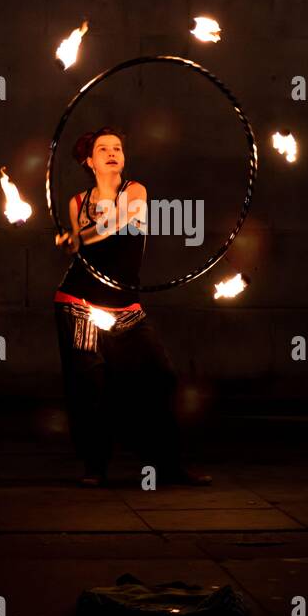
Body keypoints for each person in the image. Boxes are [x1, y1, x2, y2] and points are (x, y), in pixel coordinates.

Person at [54, 126, 211, 488]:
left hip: (125, 308)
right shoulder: (78, 202)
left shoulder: (135, 192)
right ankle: (95, 467)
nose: (112, 153)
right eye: (103, 149)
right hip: (80, 304)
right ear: (88, 161)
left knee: (160, 376)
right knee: (89, 385)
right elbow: (81, 243)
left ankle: (168, 463)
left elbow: (113, 225)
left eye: (118, 148)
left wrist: (77, 239)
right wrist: (71, 243)